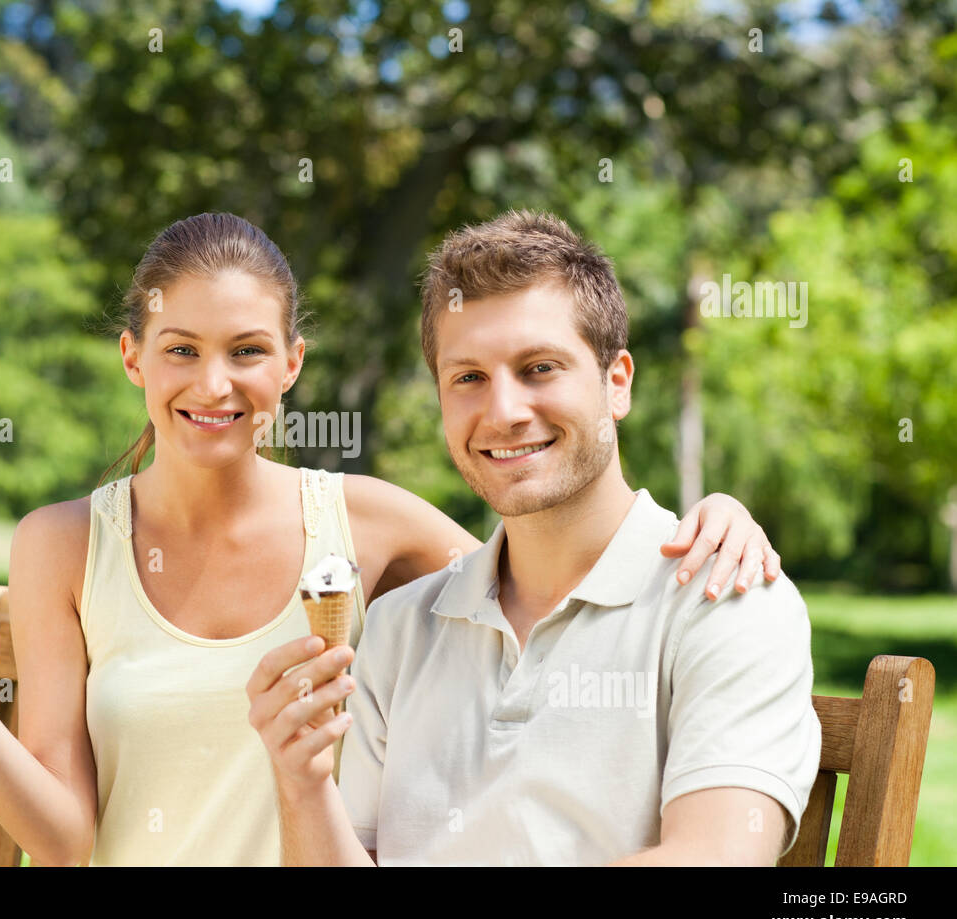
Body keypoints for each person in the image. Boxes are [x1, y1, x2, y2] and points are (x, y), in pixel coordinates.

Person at [0, 212, 784, 866]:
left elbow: (545, 565)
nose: (215, 386)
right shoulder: (68, 543)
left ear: (290, 365)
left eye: (247, 351)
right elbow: (67, 837)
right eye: (181, 350)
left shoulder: (373, 534)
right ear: (134, 358)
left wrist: (712, 523)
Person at [248, 209, 821, 866]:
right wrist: (301, 783)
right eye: (468, 378)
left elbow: (717, 857)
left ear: (617, 383)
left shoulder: (725, 599)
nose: (504, 412)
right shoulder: (399, 628)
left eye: (540, 367)